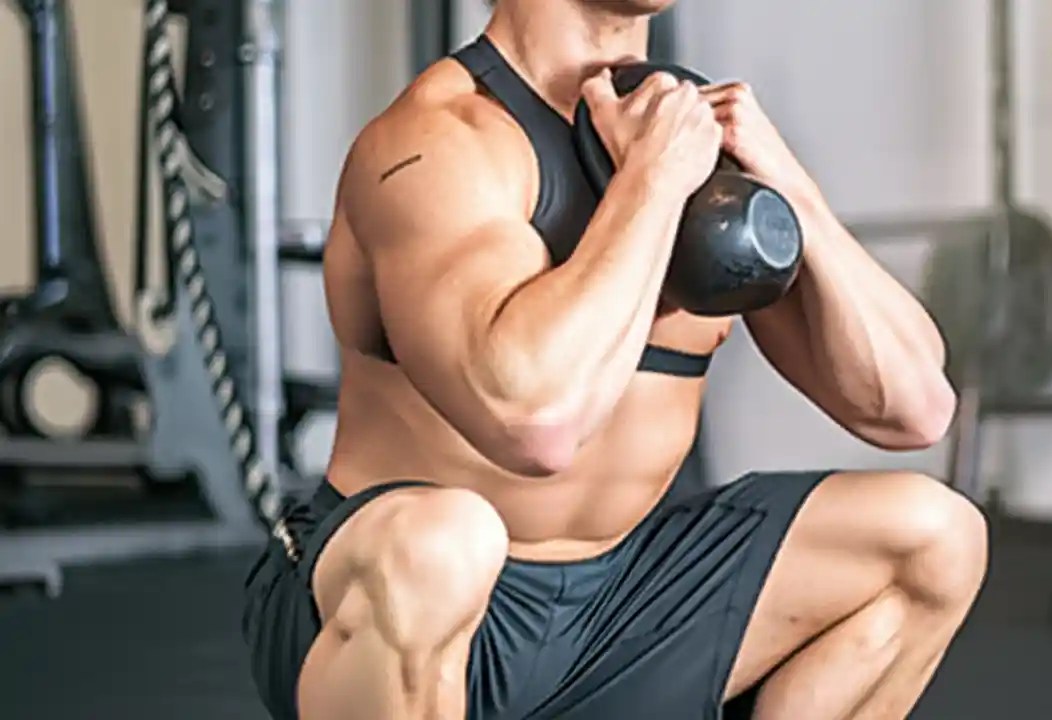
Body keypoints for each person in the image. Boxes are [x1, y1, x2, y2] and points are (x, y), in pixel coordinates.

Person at [241, 0, 988, 718]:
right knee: (442, 545)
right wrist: (653, 184)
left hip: (616, 606)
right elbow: (534, 422)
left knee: (933, 537)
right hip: (410, 604)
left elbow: (914, 407)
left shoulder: (702, 144)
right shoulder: (437, 145)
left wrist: (794, 191)